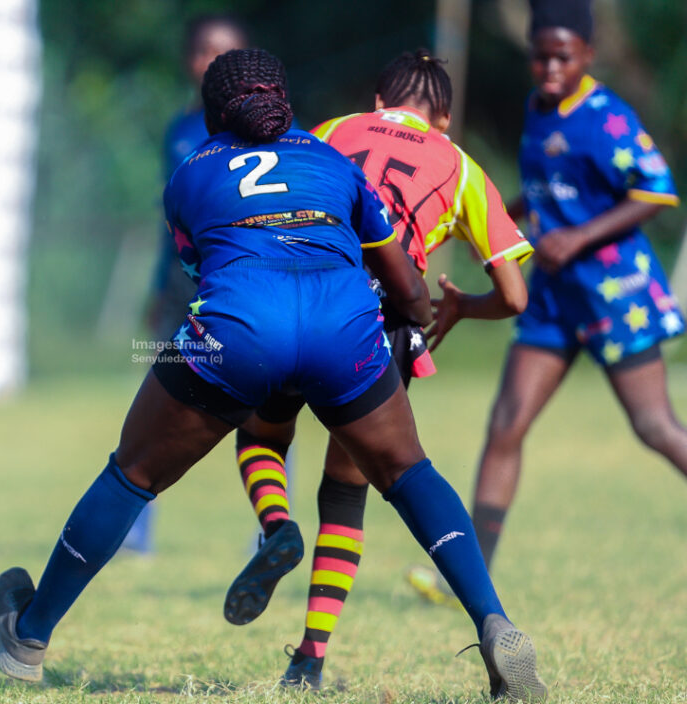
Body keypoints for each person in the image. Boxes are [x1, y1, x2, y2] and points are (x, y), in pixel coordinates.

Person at [0, 48, 546, 702]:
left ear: (211, 116)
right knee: (408, 474)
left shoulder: (190, 172)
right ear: (284, 101)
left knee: (132, 474)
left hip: (241, 330)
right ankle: (492, 621)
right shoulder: (330, 160)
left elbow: (200, 268)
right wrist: (422, 316)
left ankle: (29, 634)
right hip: (346, 329)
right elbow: (408, 287)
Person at [218, 50, 534, 689]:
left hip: (300, 297)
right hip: (379, 328)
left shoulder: (332, 130)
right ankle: (310, 658)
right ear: (443, 117)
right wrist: (462, 307)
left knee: (261, 438)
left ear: (378, 101)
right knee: (347, 489)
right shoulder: (462, 167)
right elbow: (515, 297)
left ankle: (276, 525)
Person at [408, 0, 685, 603]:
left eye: (563, 56)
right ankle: (469, 577)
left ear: (588, 54)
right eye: (540, 56)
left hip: (616, 295)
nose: (551, 68)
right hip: (553, 299)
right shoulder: (537, 107)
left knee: (654, 426)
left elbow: (657, 192)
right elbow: (544, 194)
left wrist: (579, 237)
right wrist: (494, 217)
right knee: (506, 425)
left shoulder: (606, 116)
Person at [125, 14, 251, 555]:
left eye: (223, 53)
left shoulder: (265, 128)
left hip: (240, 291)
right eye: (202, 51)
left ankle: (271, 530)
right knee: (155, 403)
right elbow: (169, 223)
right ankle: (133, 530)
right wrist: (160, 287)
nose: (209, 63)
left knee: (267, 411)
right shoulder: (179, 129)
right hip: (182, 289)